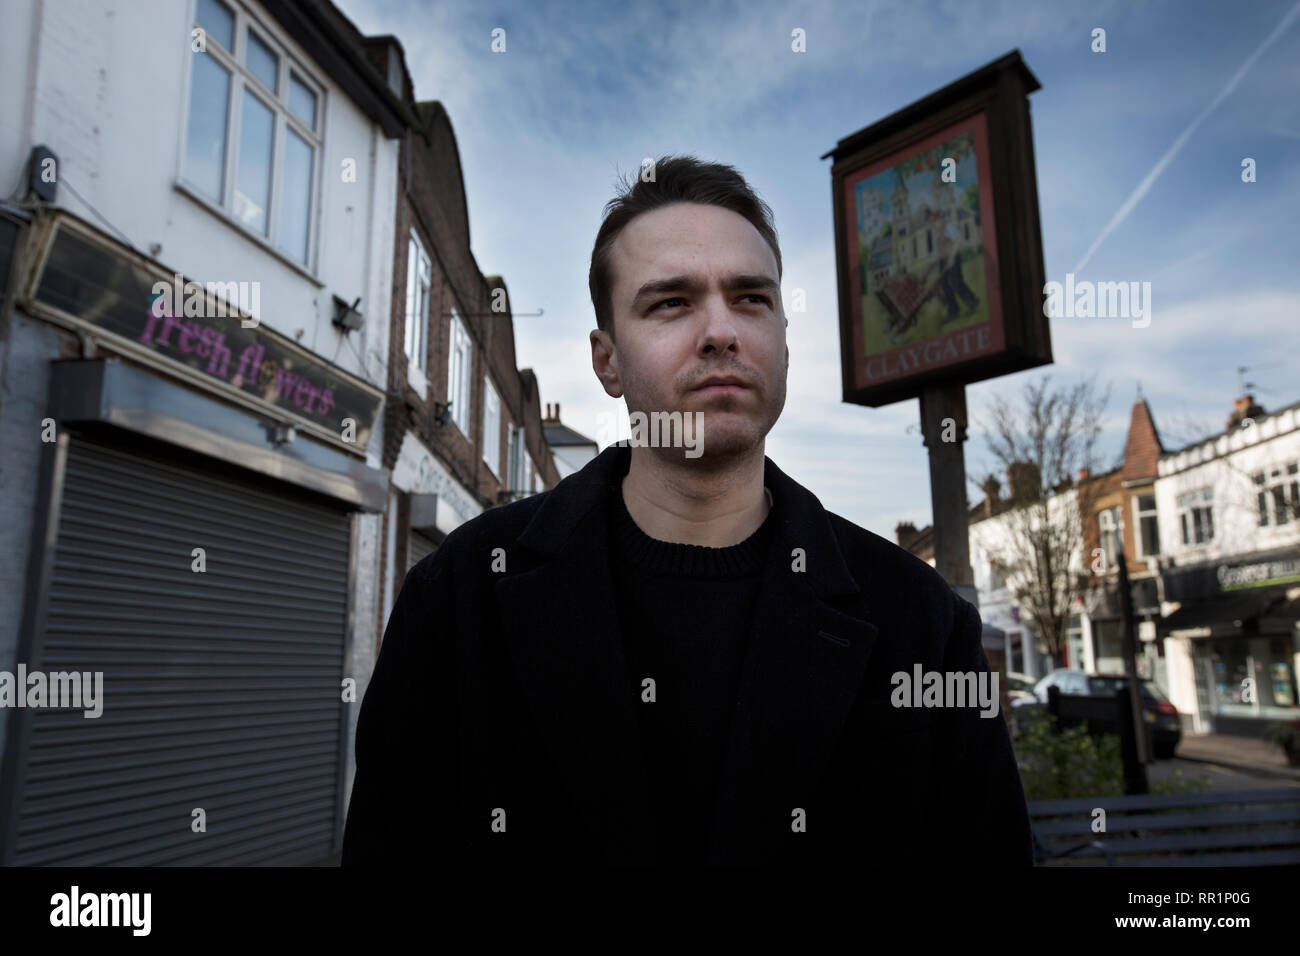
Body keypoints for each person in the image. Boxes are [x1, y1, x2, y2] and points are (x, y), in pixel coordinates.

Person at [341, 155, 1032, 867]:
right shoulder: (459, 597)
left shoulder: (920, 623)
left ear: (786, 345)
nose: (721, 331)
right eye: (671, 302)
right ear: (606, 361)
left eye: (751, 298)